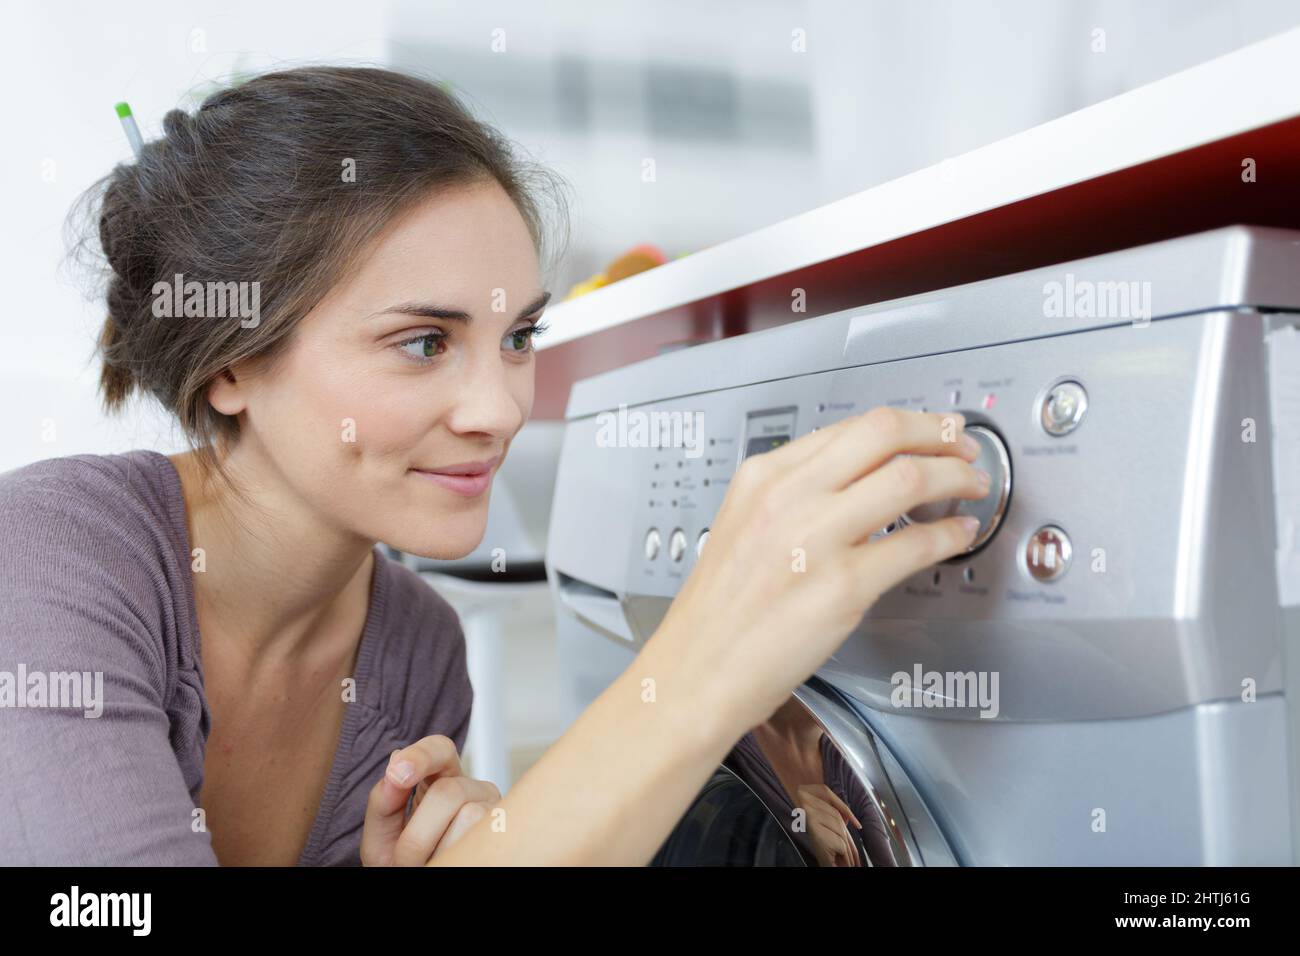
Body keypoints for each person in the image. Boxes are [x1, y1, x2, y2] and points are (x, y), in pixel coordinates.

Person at [0, 66, 987, 866]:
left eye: (517, 335)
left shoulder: (416, 653)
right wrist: (707, 658)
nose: (502, 406)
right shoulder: (56, 558)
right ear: (230, 367)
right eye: (425, 342)